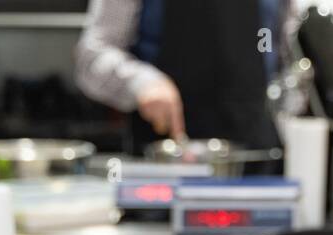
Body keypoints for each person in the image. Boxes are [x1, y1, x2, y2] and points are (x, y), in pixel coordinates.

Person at [75, 0, 289, 155]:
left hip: (258, 160)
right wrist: (142, 83)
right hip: (163, 163)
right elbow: (92, 56)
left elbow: (287, 57)